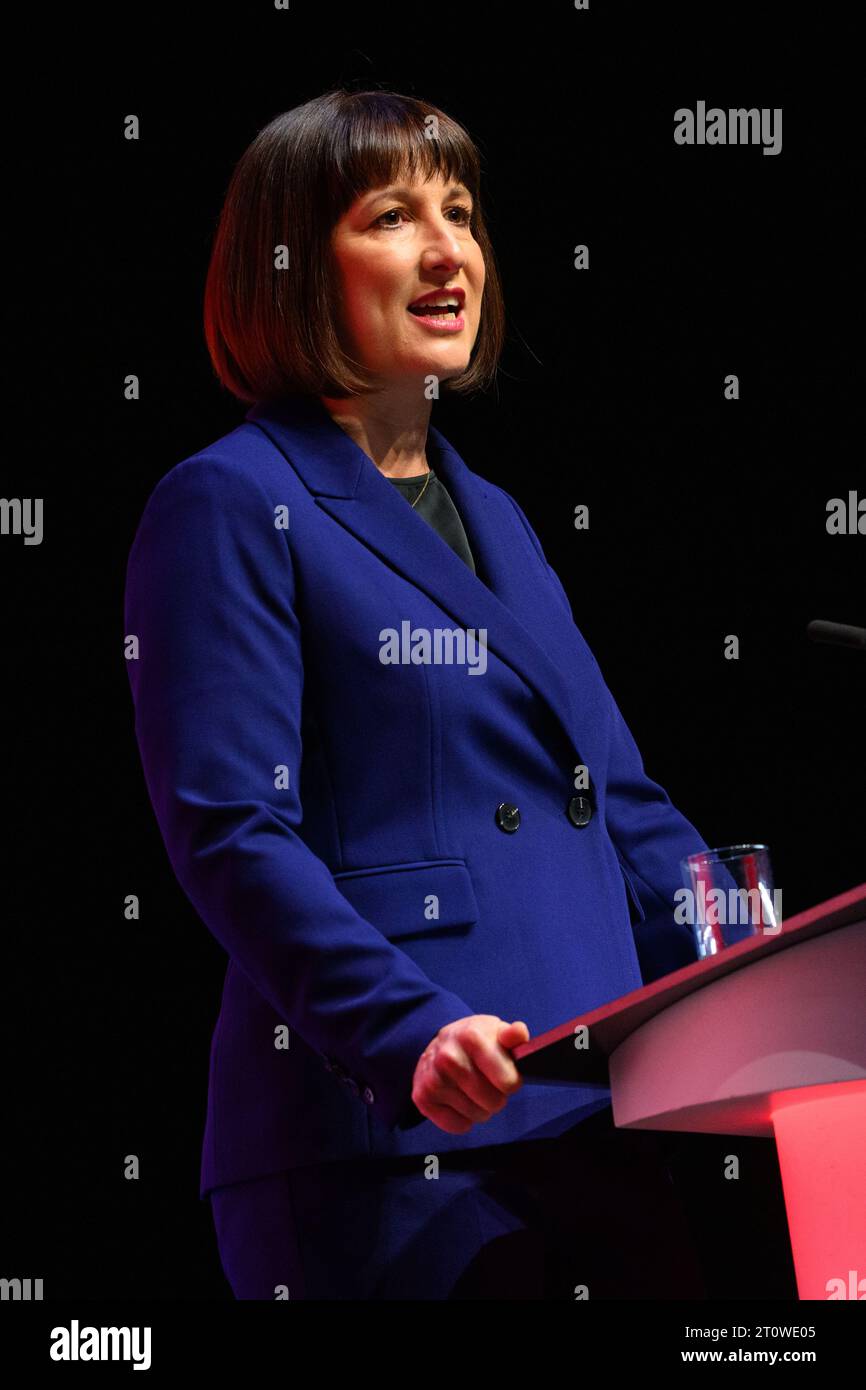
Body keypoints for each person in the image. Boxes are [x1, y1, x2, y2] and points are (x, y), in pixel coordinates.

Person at [124, 88, 710, 1299]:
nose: (448, 252)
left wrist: (754, 957)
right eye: (391, 216)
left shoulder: (493, 513)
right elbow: (232, 830)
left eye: (460, 210)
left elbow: (619, 802)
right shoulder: (230, 501)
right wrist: (405, 1030)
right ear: (288, 265)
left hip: (589, 1128)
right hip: (386, 1153)